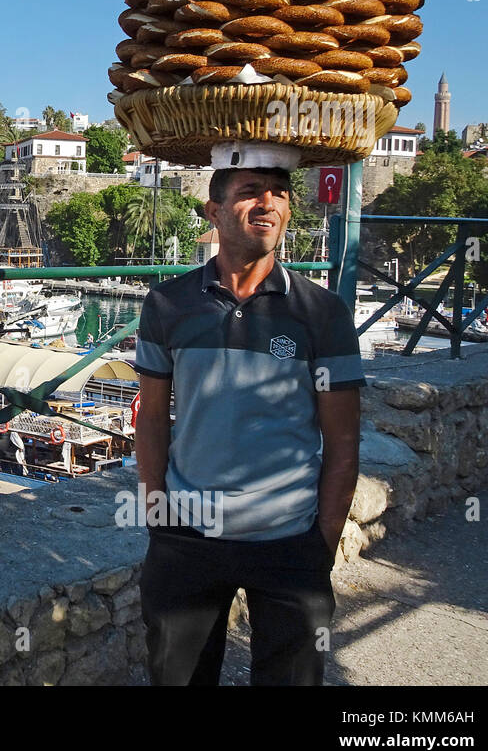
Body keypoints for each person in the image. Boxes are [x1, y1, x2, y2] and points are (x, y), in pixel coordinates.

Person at [133, 142, 363, 686]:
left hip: (290, 542)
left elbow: (343, 440)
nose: (269, 204)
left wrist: (322, 542)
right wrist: (158, 515)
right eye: (250, 192)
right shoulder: (167, 305)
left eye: (280, 194)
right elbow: (150, 419)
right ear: (213, 212)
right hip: (187, 537)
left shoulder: (321, 314)